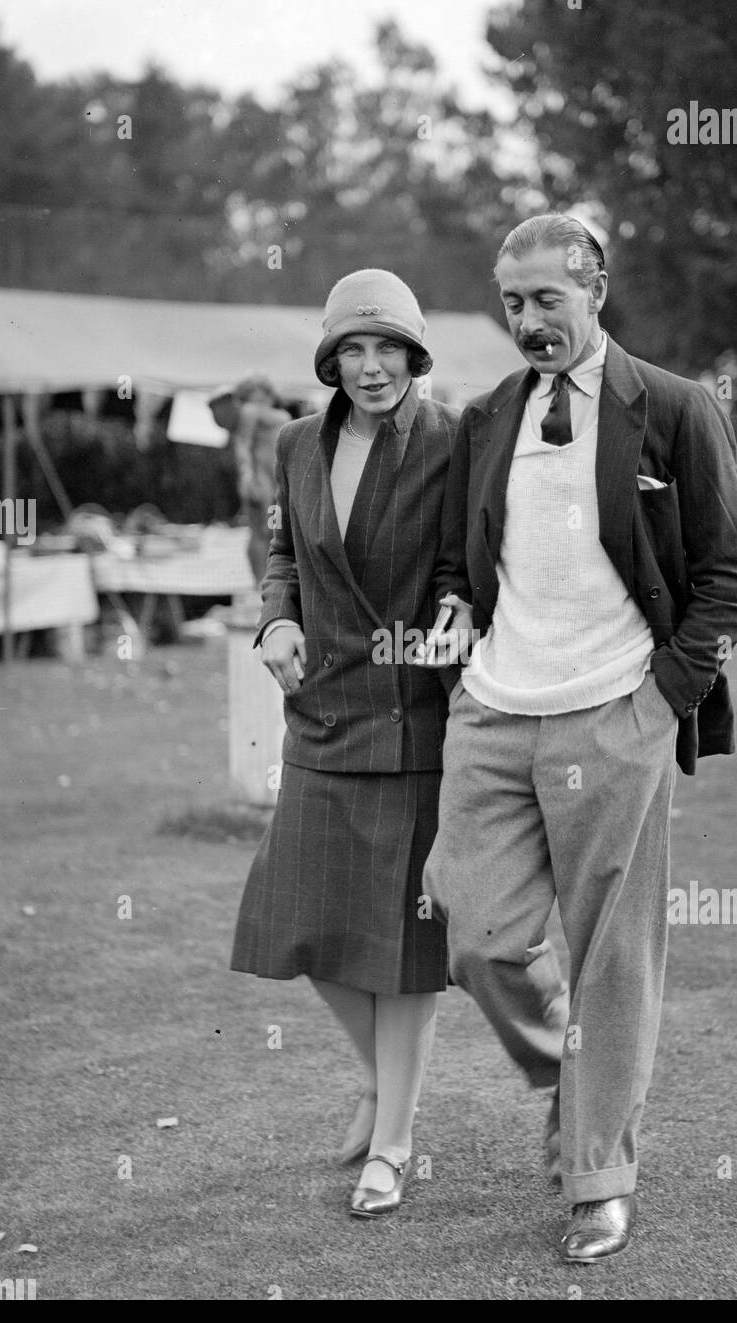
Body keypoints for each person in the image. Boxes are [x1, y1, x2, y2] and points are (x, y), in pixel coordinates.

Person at [424, 214, 737, 1262]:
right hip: (490, 711)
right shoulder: (486, 418)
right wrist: (448, 607)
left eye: (546, 301)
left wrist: (662, 697)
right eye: (512, 303)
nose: (527, 322)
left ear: (596, 291)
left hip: (613, 713)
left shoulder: (670, 409)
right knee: (476, 934)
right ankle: (572, 1081)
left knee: (612, 959)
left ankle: (597, 1179)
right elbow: (456, 554)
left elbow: (732, 571)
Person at [230, 269, 465, 1218]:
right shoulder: (296, 442)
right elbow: (284, 554)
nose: (371, 367)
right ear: (330, 360)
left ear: (414, 355)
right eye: (353, 351)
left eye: (388, 349)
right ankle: (379, 1084)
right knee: (306, 924)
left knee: (404, 946)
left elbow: (465, 561)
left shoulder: (454, 439)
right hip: (322, 708)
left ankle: (396, 1143)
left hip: (415, 709)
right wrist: (274, 623)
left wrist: (457, 608)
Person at [209, 378, 290, 585]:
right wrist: (247, 477)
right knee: (263, 532)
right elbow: (242, 445)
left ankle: (268, 581)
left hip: (276, 480)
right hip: (260, 479)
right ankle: (261, 582)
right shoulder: (250, 411)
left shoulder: (264, 412)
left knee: (271, 532)